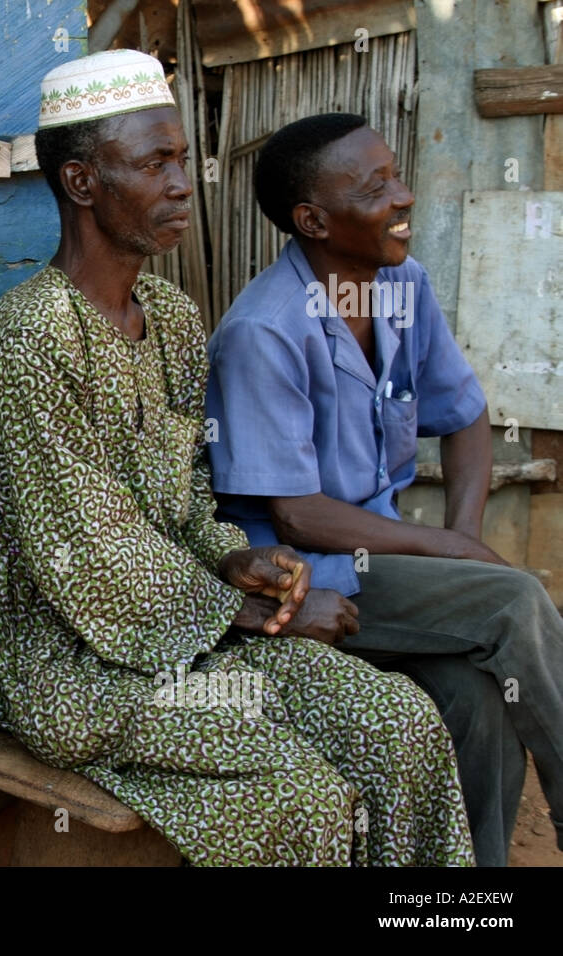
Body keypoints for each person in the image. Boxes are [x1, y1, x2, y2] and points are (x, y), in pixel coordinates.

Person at [0, 51, 474, 866]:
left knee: (399, 724)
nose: (184, 182)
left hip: (185, 634)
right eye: (154, 163)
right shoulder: (29, 342)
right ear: (83, 183)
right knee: (304, 798)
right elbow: (89, 555)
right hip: (75, 675)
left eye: (183, 159)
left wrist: (245, 563)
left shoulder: (172, 317)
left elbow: (190, 502)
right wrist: (240, 611)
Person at [205, 112, 563, 865]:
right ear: (315, 220)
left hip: (387, 560)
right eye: (377, 188)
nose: (404, 197)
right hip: (305, 580)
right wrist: (450, 549)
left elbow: (466, 419)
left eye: (398, 175)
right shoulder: (264, 332)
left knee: (477, 702)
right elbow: (295, 514)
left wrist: (460, 544)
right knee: (516, 602)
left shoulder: (403, 285)